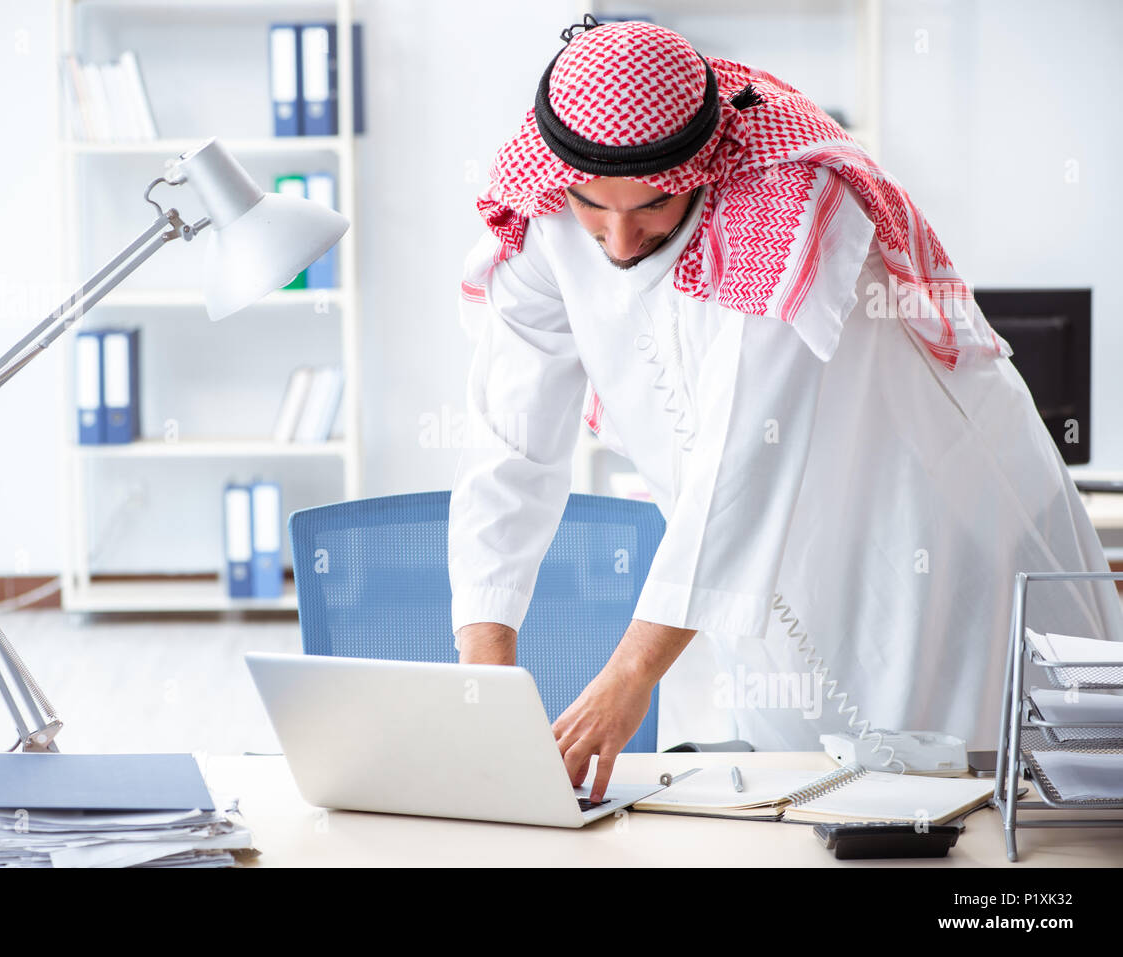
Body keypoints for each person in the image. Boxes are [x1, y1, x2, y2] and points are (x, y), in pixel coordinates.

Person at [448, 17, 1122, 803]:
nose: (620, 239)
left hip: (938, 527)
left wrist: (628, 677)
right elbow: (510, 447)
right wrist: (483, 687)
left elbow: (745, 456)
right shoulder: (550, 213)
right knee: (817, 796)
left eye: (652, 206)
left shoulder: (791, 204)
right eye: (594, 206)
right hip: (768, 559)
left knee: (993, 796)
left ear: (700, 167)